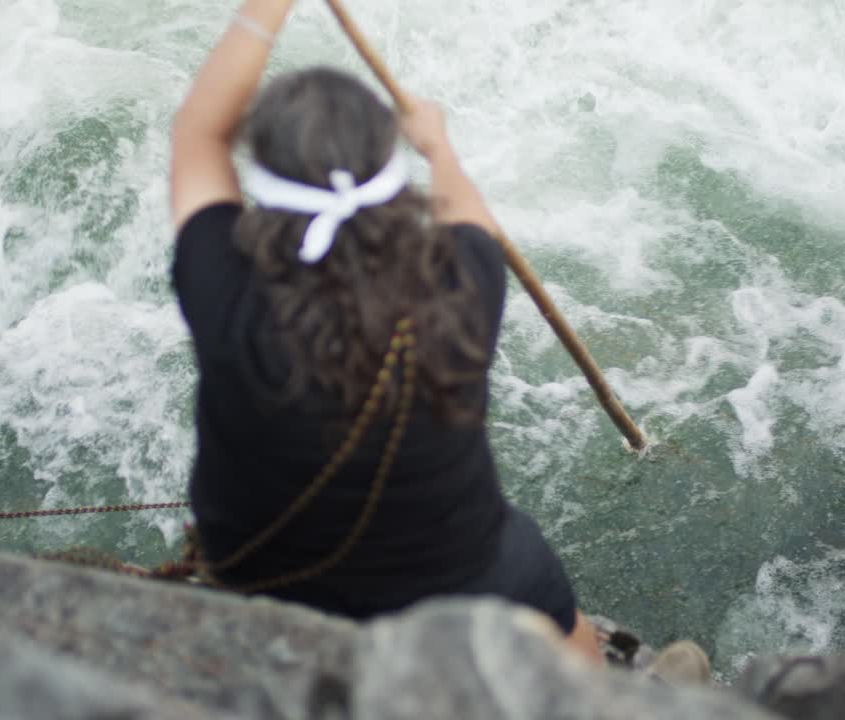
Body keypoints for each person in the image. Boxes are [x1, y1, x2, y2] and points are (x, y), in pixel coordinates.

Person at [167, 0, 605, 664]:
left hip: (260, 568)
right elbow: (465, 211)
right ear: (389, 174)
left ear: (265, 185)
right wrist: (439, 145)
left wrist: (267, 9)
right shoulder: (461, 285)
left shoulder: (226, 294)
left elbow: (198, 135)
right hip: (452, 574)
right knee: (573, 638)